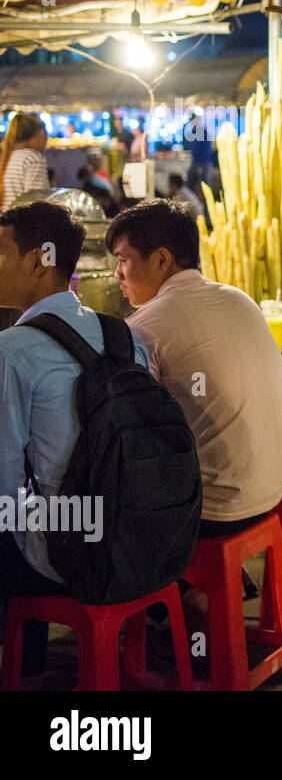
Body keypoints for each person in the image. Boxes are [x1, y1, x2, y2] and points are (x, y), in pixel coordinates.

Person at [0, 202, 150, 674]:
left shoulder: (13, 351)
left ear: (38, 260)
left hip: (67, 557)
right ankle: (31, 660)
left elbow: (2, 486)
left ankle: (20, 664)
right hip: (137, 539)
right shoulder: (124, 336)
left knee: (17, 514)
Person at [109, 200, 282, 556]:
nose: (116, 274)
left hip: (215, 512)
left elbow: (133, 435)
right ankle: (204, 590)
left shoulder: (144, 327)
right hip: (274, 494)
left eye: (122, 260)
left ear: (162, 259)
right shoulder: (240, 299)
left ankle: (174, 599)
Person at [1, 113, 51, 212]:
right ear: (41, 133)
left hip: (7, 221)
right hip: (22, 223)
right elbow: (37, 202)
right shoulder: (33, 159)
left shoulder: (10, 157)